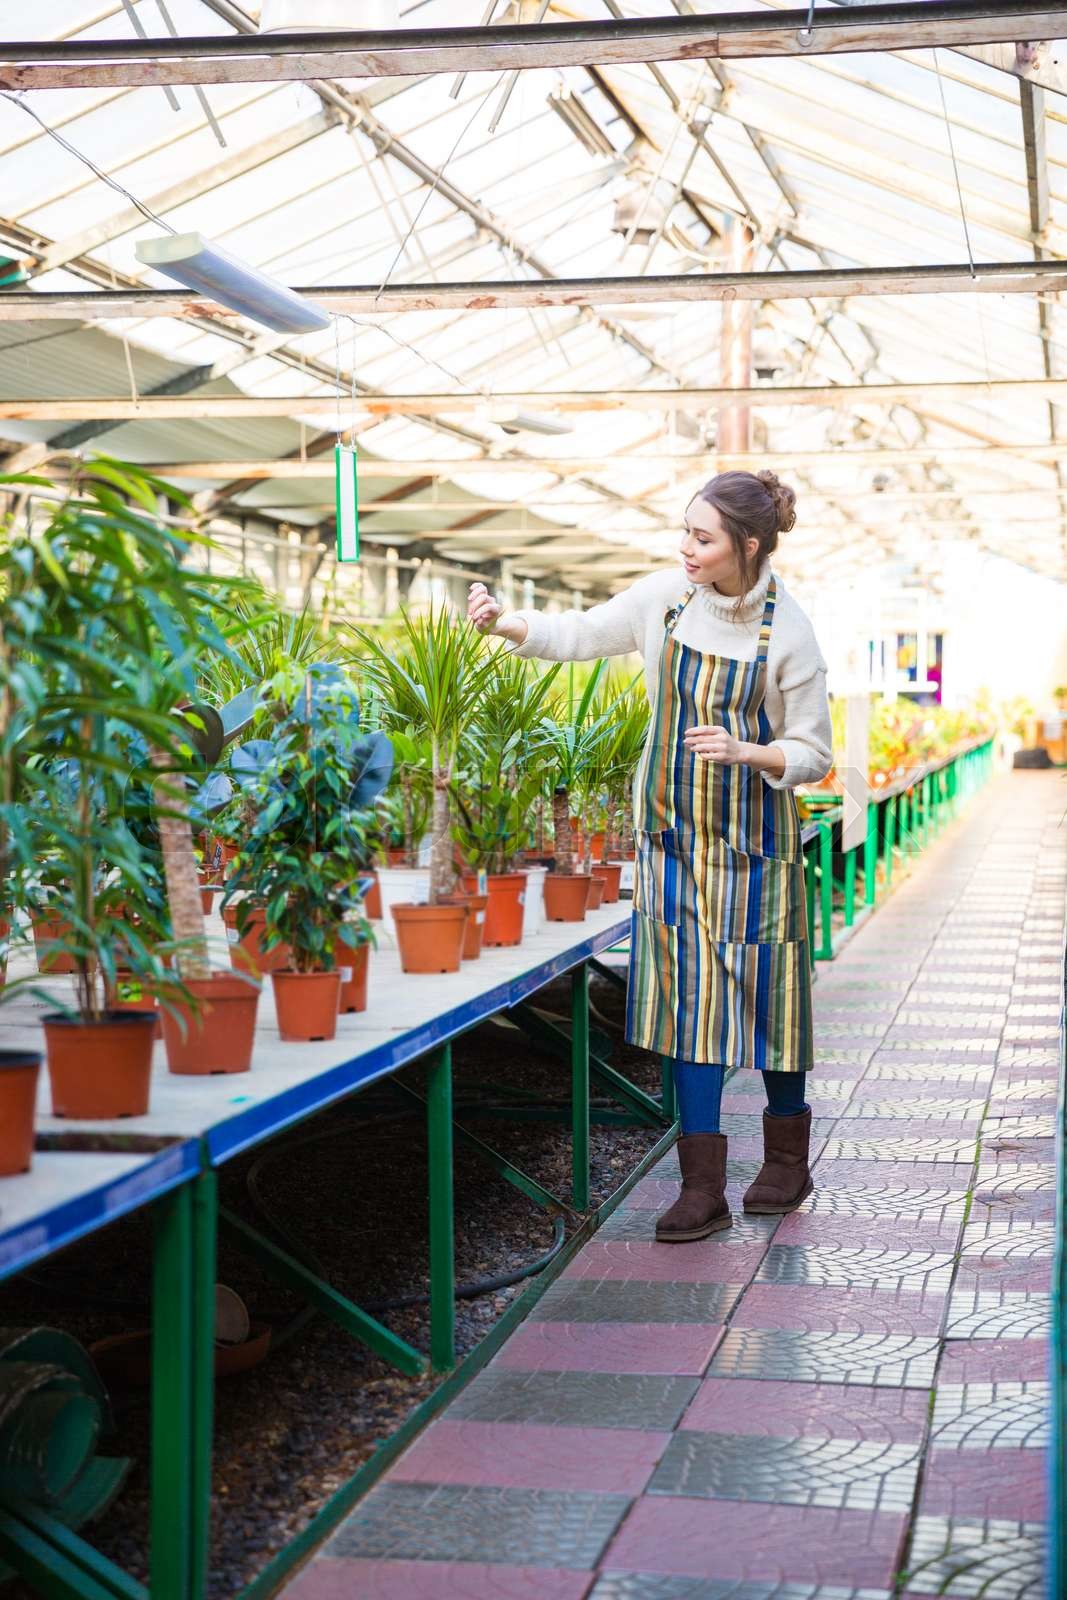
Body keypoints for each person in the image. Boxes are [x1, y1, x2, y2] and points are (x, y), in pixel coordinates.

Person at [467, 469, 832, 1240]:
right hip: (670, 845)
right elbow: (579, 634)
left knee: (770, 998)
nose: (686, 548)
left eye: (702, 537)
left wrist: (747, 751)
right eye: (685, 532)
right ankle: (701, 1186)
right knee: (688, 1007)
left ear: (749, 545)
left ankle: (786, 1158)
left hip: (754, 850)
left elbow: (813, 753)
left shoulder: (787, 630)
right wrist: (505, 625)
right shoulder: (665, 599)